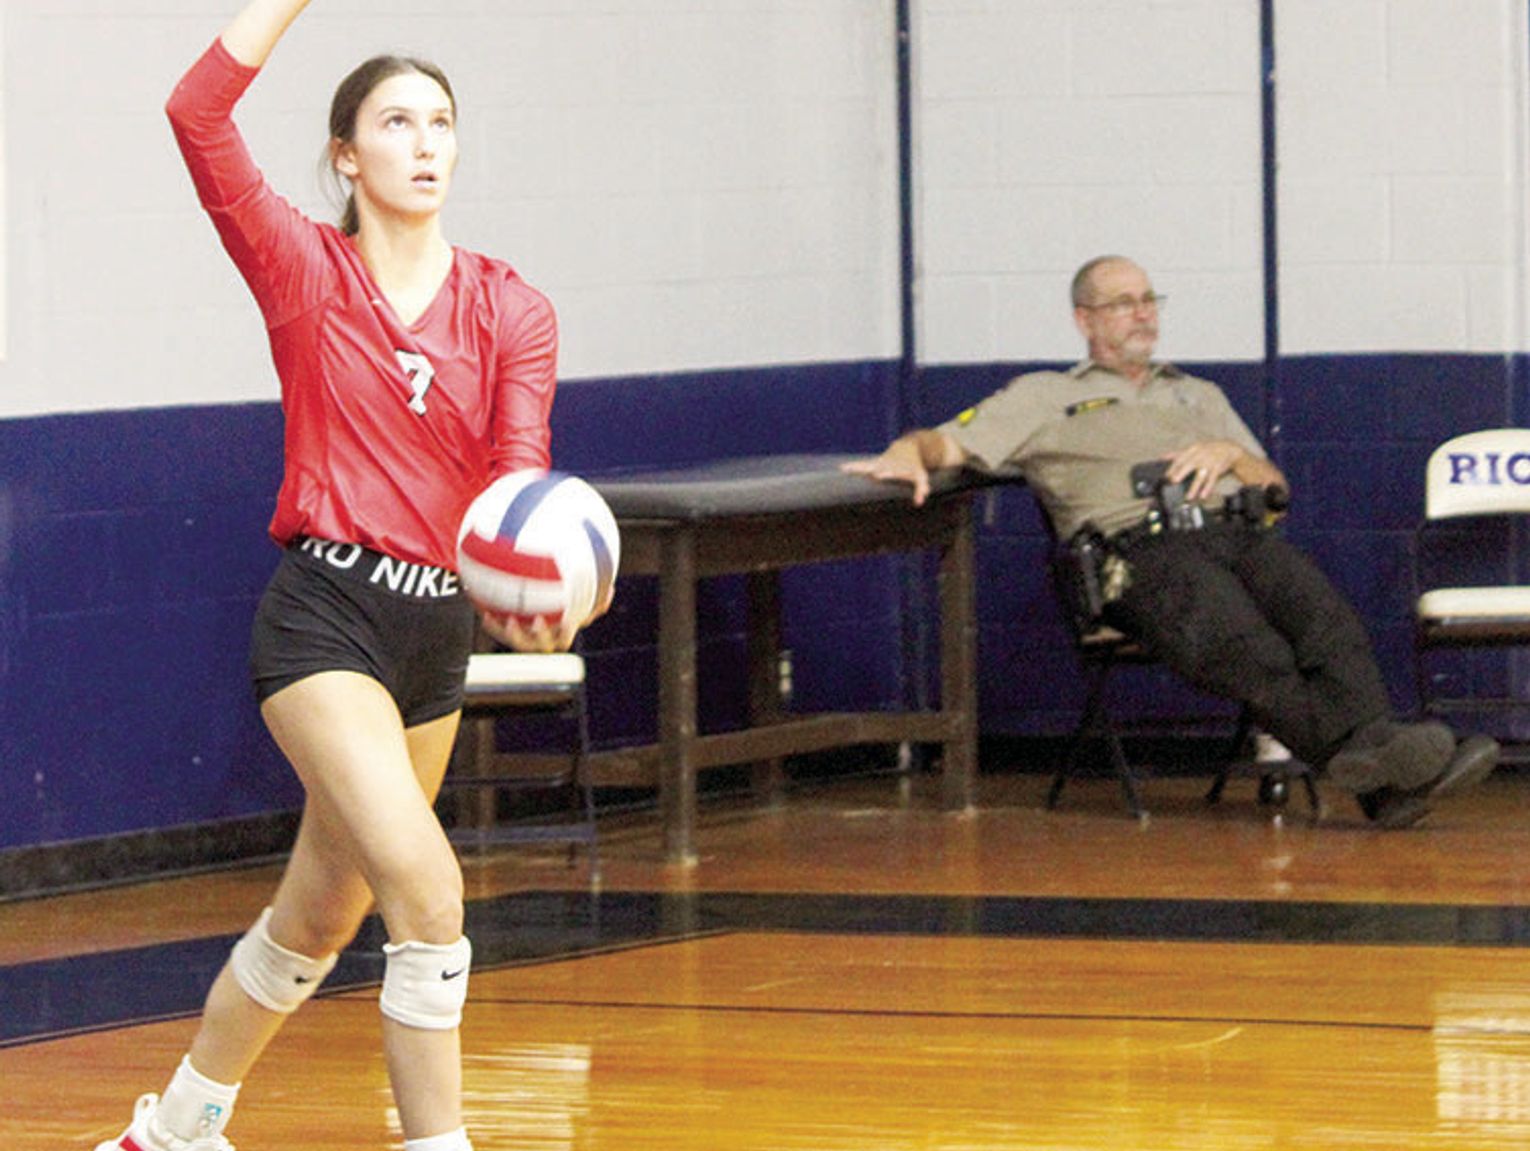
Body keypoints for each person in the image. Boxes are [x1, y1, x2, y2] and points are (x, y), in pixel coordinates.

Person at [97, 3, 576, 1149]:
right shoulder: (303, 269)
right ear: (347, 156)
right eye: (396, 120)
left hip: (434, 635)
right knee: (432, 895)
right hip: (324, 620)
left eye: (442, 121)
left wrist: (541, 570)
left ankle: (173, 1127)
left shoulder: (513, 307)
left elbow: (518, 480)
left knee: (316, 918)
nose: (425, 142)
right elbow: (194, 112)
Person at [846, 254, 1498, 829]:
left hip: (1233, 535)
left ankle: (1385, 778)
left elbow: (1274, 485)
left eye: (1149, 300)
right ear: (1085, 319)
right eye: (1124, 302)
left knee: (1326, 619)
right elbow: (948, 441)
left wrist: (1230, 455)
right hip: (1139, 554)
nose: (1143, 315)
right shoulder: (1045, 397)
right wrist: (906, 451)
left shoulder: (1198, 393)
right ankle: (1391, 766)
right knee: (1249, 645)